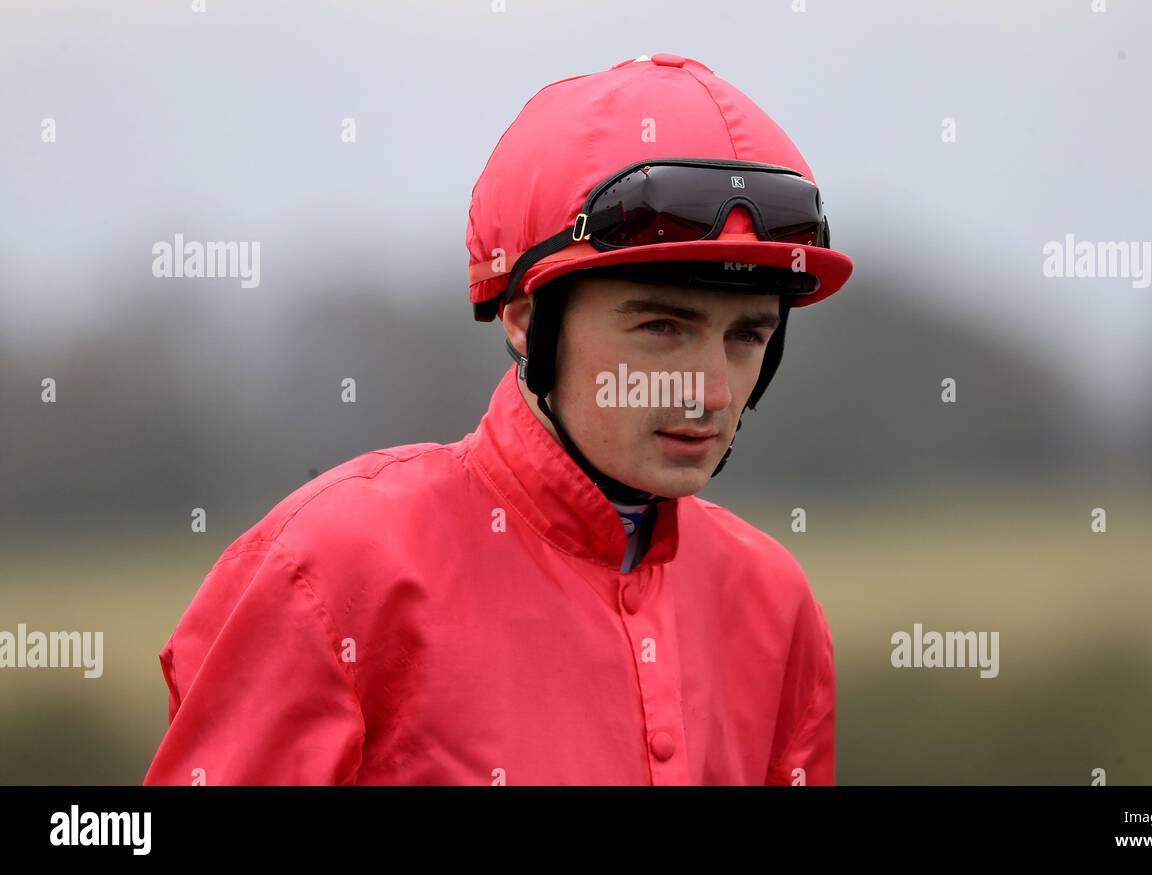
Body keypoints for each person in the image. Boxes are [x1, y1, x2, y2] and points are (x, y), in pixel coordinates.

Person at [142, 53, 854, 786]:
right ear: (523, 319)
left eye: (746, 335)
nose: (709, 390)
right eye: (662, 328)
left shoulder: (775, 601)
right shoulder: (331, 568)